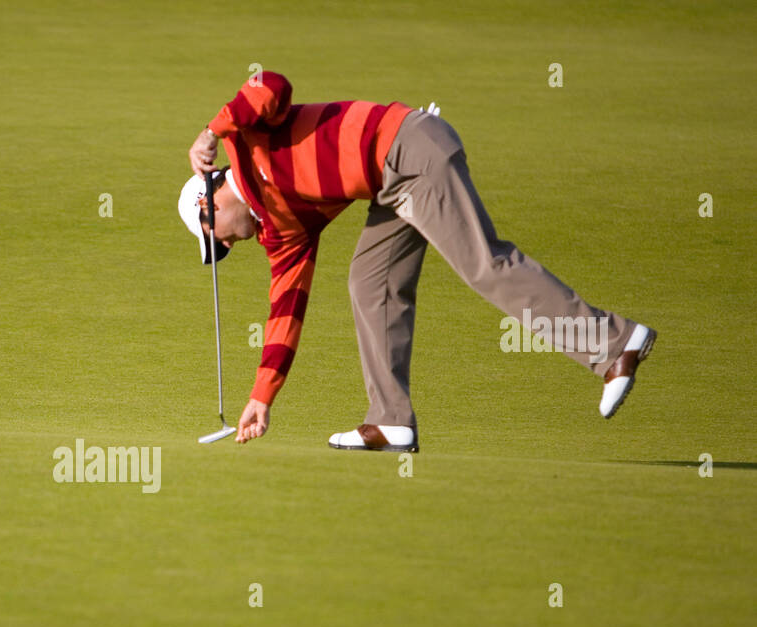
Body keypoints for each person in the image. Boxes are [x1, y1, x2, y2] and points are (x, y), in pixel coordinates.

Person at [178, 71, 656, 450]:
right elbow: (285, 311)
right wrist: (262, 398)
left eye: (215, 240)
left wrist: (211, 129)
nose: (226, 248)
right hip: (392, 184)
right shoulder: (281, 234)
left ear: (209, 203)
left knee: (484, 265)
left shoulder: (245, 138)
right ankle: (390, 423)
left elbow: (270, 84)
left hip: (411, 148)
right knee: (369, 283)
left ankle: (614, 345)